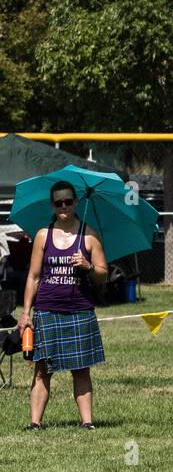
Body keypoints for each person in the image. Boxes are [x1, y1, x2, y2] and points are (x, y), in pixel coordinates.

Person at [17, 180, 108, 431]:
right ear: (53, 205)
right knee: (42, 370)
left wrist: (88, 267)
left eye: (68, 201)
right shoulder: (43, 235)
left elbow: (103, 273)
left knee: (81, 369)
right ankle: (35, 423)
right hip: (46, 309)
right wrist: (26, 313)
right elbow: (34, 277)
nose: (64, 206)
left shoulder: (89, 235)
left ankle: (87, 423)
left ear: (76, 202)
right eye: (59, 203)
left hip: (79, 310)